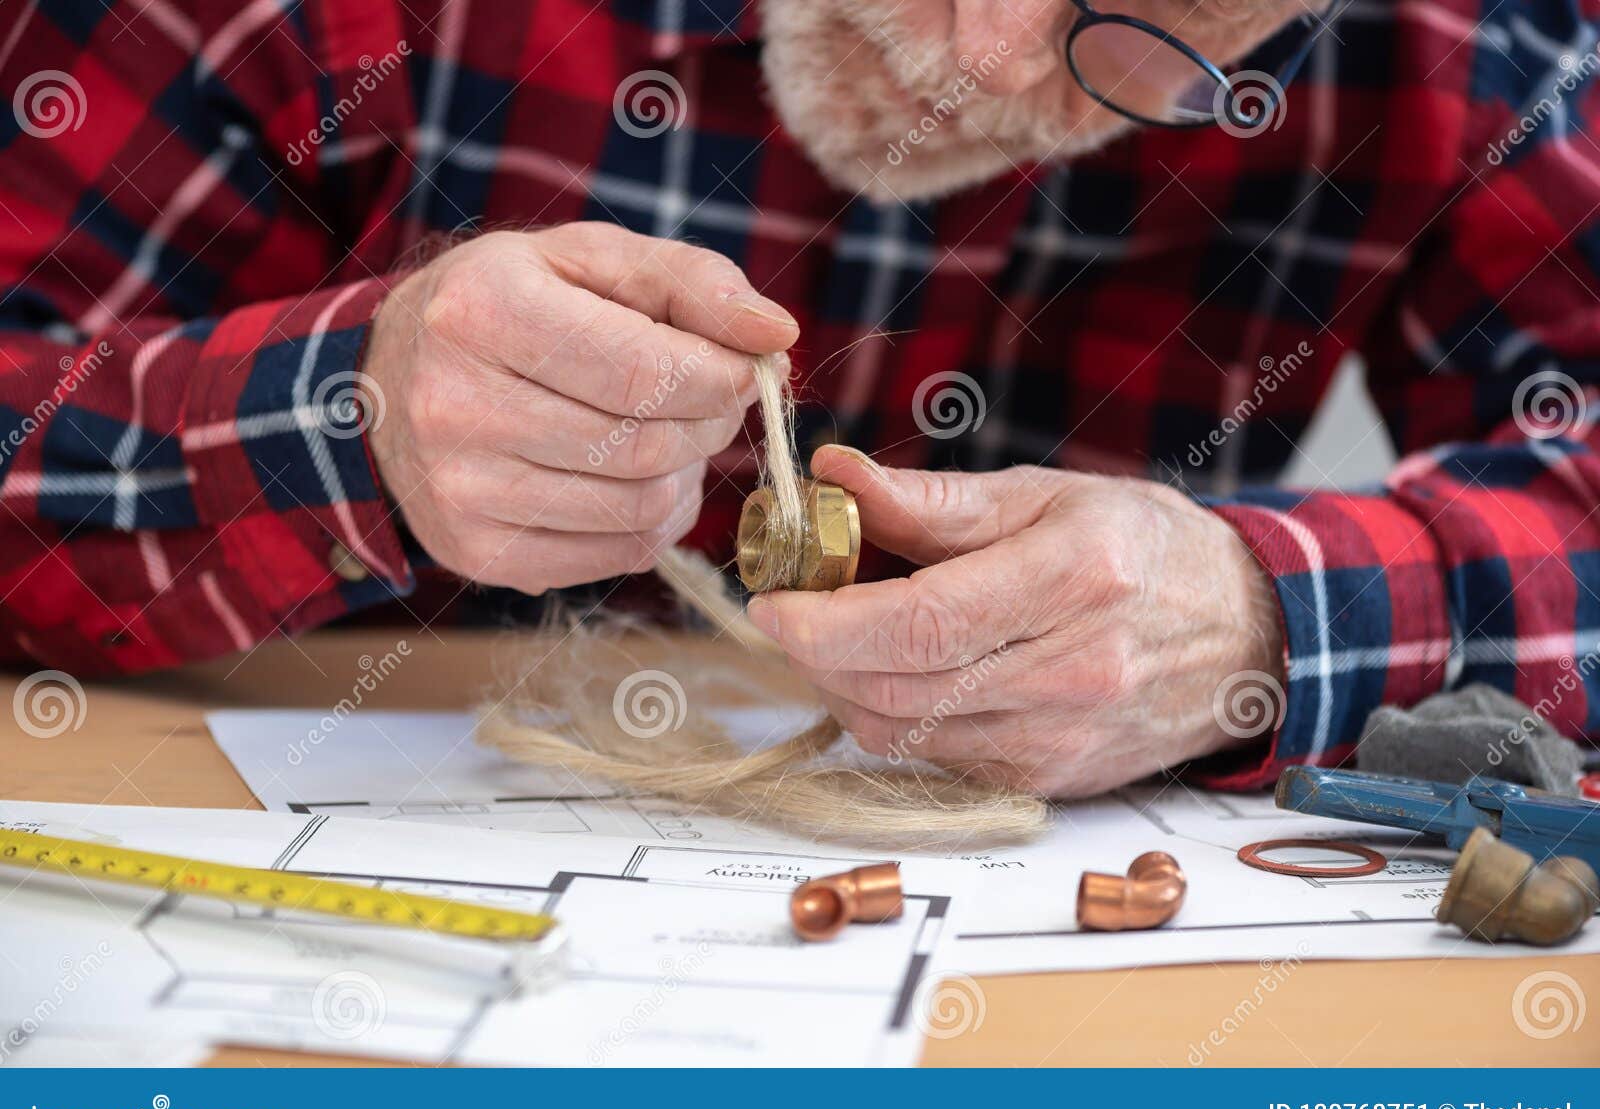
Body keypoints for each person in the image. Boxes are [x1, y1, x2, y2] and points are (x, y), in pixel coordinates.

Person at [2, 0, 1596, 798]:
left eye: (1141, 22)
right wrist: (343, 410)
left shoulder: (1480, 39)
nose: (982, 58)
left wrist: (1263, 622)